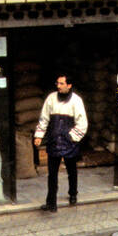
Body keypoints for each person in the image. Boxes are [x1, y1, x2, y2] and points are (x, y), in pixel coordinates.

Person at [33, 73, 88, 212]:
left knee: (71, 170)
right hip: (54, 140)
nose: (58, 86)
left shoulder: (76, 101)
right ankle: (51, 203)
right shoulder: (51, 99)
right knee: (52, 174)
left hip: (69, 142)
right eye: (57, 83)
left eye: (62, 83)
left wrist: (71, 137)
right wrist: (39, 135)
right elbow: (44, 119)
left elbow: (82, 123)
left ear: (69, 85)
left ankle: (73, 194)